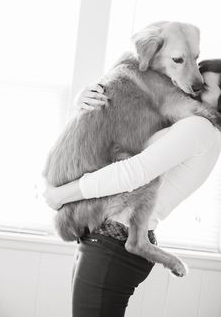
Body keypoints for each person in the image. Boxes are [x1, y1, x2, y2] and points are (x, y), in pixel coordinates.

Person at [44, 60, 221, 317]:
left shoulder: (199, 128)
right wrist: (87, 102)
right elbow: (121, 135)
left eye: (203, 86)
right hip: (113, 239)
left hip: (115, 242)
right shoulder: (191, 124)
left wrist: (61, 194)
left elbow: (132, 172)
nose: (192, 88)